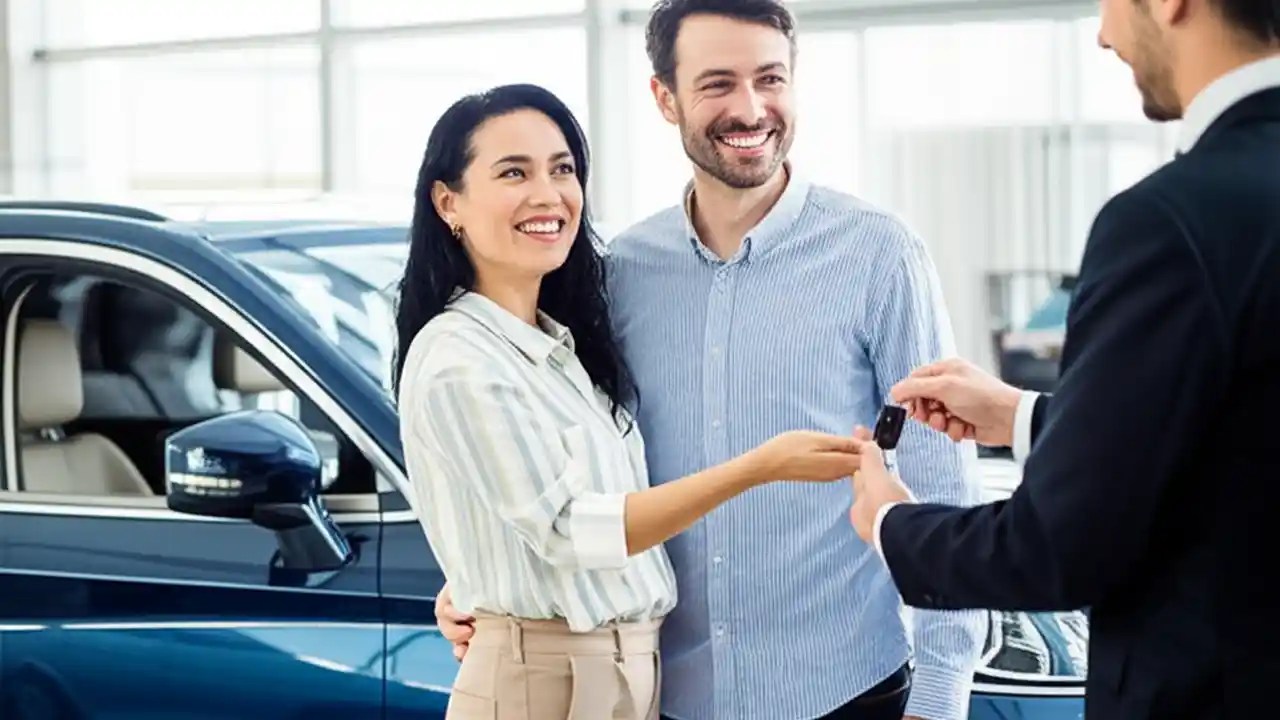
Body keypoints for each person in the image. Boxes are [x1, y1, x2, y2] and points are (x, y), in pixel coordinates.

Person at [436, 2, 986, 718]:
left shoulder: (879, 255)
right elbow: (565, 472)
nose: (751, 109)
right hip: (665, 694)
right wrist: (478, 588)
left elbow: (942, 486)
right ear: (665, 98)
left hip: (847, 694)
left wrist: (941, 698)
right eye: (718, 83)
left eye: (771, 79)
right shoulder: (618, 274)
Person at [845, 1, 1280, 718]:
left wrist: (892, 522)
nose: (1105, 35)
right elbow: (1239, 448)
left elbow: (1054, 548)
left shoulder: (1169, 222)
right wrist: (1027, 416)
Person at [393, 83, 868, 720]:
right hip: (547, 679)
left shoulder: (560, 347)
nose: (547, 194)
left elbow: (520, 525)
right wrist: (759, 468)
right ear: (448, 202)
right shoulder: (458, 356)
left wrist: (476, 579)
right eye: (513, 172)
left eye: (562, 169)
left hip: (621, 672)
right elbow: (568, 529)